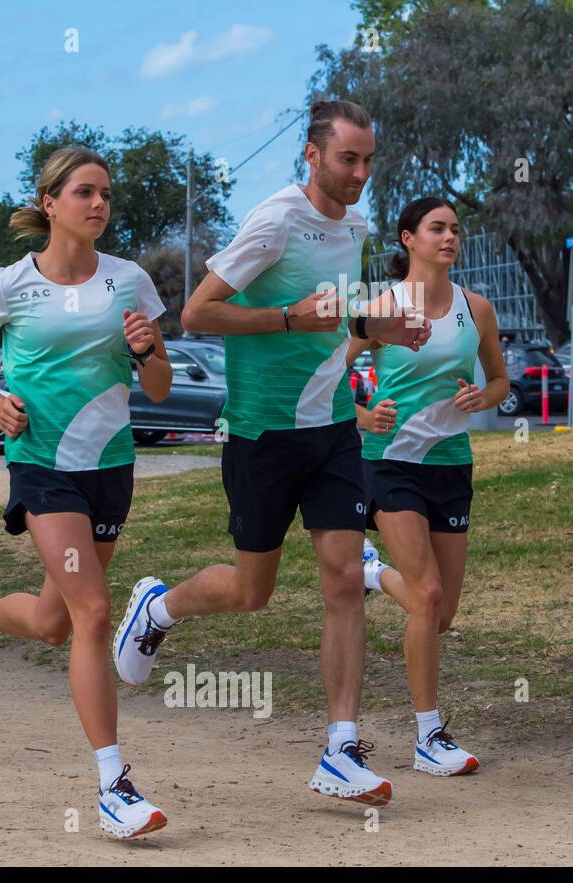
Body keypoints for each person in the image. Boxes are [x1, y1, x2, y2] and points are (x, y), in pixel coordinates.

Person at [111, 100, 429, 807]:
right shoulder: (275, 221)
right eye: (349, 159)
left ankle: (340, 749)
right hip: (260, 433)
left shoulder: (356, 225)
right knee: (252, 591)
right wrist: (286, 317)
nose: (361, 174)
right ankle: (159, 610)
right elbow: (197, 312)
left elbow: (336, 314)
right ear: (312, 156)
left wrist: (381, 326)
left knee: (345, 578)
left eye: (369, 160)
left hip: (332, 430)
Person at [0, 146, 175, 839]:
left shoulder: (130, 282)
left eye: (105, 195)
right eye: (84, 193)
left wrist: (148, 348)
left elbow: (156, 388)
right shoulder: (10, 285)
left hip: (110, 467)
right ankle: (113, 786)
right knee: (94, 611)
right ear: (50, 202)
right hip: (42, 467)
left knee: (54, 622)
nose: (98, 205)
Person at [349, 197, 507, 776]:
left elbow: (499, 382)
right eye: (437, 228)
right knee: (429, 593)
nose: (450, 237)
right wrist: (364, 415)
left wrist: (481, 399)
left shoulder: (477, 308)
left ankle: (372, 573)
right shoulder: (380, 307)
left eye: (456, 229)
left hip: (450, 465)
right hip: (390, 463)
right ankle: (428, 736)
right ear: (407, 238)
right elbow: (328, 374)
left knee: (438, 614)